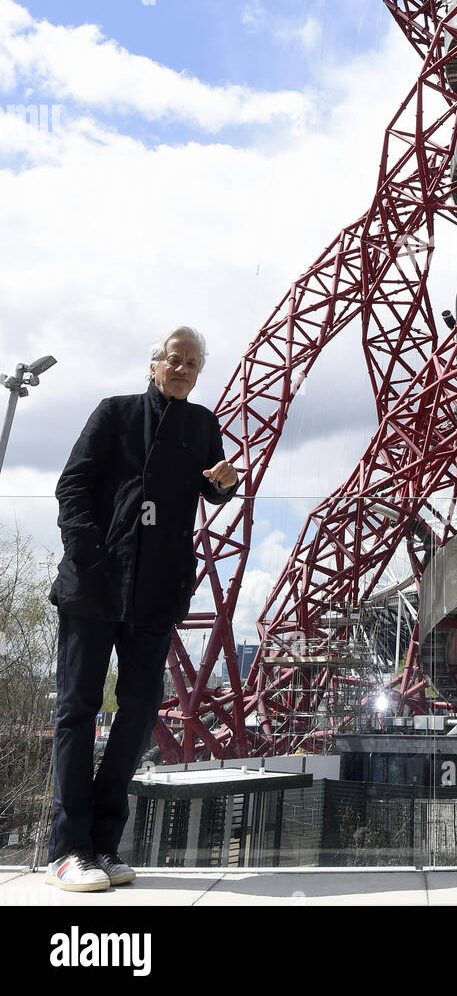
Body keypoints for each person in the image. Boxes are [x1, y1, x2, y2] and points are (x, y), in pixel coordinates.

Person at [45, 327, 238, 892]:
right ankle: (67, 848)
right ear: (154, 365)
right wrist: (91, 551)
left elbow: (211, 486)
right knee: (78, 711)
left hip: (155, 591)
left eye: (193, 363)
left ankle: (102, 846)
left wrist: (223, 486)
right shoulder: (115, 412)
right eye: (174, 360)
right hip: (96, 586)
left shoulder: (203, 425)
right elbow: (72, 486)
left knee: (138, 711)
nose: (182, 369)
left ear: (200, 373)